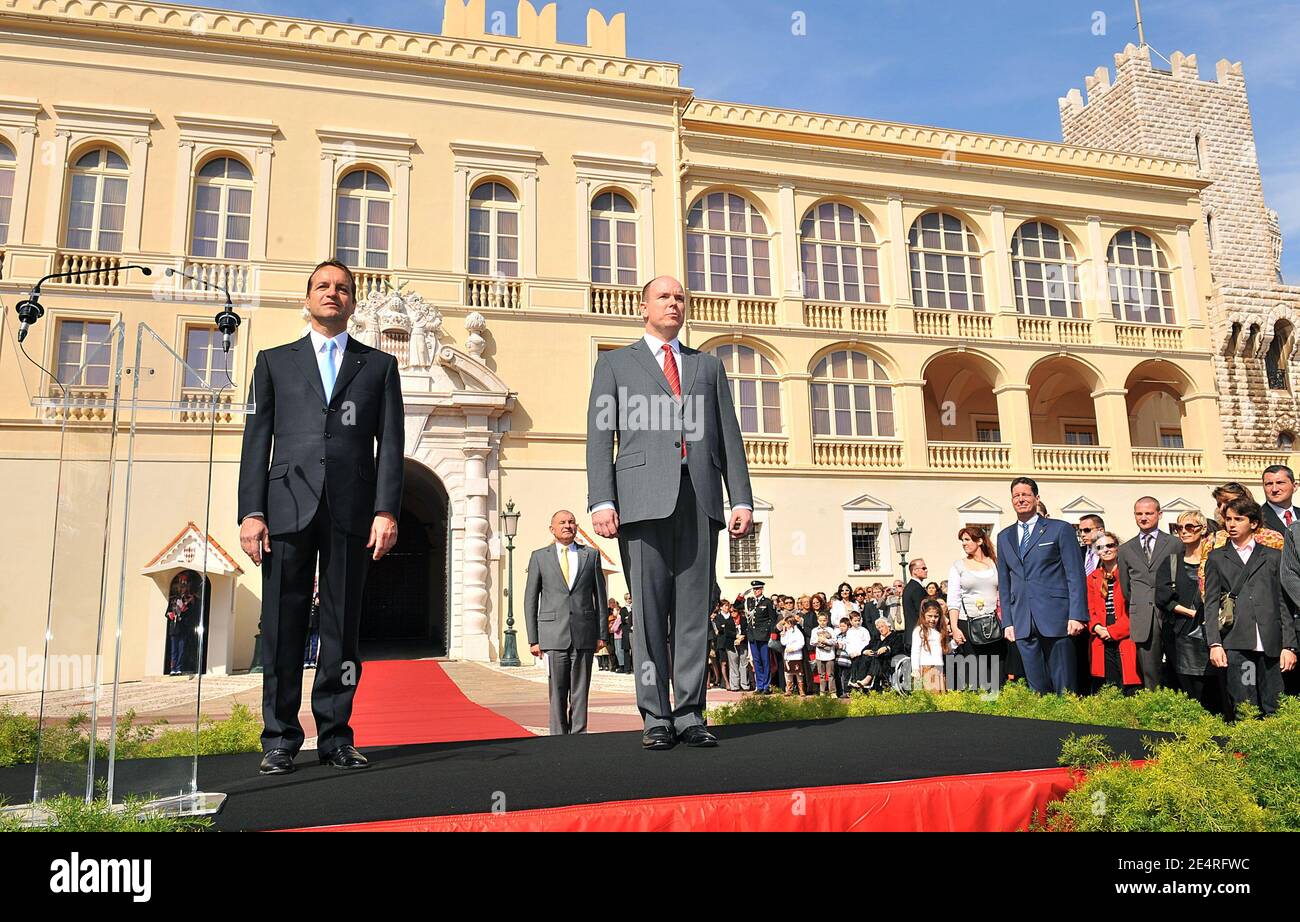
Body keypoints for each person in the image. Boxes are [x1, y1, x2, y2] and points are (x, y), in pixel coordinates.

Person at [238, 259, 403, 776]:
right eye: (323, 287)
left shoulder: (377, 367)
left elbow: (391, 445)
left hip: (351, 511)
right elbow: (255, 441)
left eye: (343, 288)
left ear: (353, 301)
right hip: (285, 505)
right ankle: (280, 737)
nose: (333, 294)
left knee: (341, 630)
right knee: (282, 627)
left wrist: (386, 509)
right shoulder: (273, 362)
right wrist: (251, 511)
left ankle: (335, 735)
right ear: (307, 298)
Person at [586, 275, 754, 749]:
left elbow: (729, 436)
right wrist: (602, 500)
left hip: (699, 499)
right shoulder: (616, 365)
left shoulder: (708, 366)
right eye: (664, 296)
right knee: (651, 609)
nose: (674, 303)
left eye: (680, 297)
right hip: (640, 501)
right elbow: (600, 436)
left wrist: (740, 496)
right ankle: (655, 715)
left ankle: (689, 713)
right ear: (643, 307)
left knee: (694, 613)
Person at [1204, 498, 1298, 718]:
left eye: (1239, 519)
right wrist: (1214, 643)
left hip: (1272, 644)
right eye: (1228, 519)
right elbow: (1210, 605)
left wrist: (1289, 646)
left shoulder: (1274, 556)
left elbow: (1283, 603)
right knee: (1245, 706)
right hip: (1237, 643)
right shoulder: (1217, 558)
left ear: (1254, 523)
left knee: (1275, 705)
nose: (1232, 524)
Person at [995, 477, 1088, 695]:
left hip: (1056, 617)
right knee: (1036, 687)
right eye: (1016, 496)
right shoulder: (1004, 536)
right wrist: (1007, 621)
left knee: (1064, 685)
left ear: (1036, 498)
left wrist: (1077, 615)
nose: (1021, 500)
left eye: (1025, 495)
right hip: (1022, 620)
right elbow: (1005, 582)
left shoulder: (1059, 529)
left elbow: (1075, 574)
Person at [524, 510, 609, 735]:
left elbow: (600, 596)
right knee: (557, 691)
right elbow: (530, 599)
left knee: (581, 691)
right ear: (552, 528)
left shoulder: (590, 556)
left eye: (571, 522)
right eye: (562, 522)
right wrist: (534, 639)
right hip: (552, 636)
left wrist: (602, 634)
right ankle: (558, 737)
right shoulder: (539, 557)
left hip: (584, 634)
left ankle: (579, 735)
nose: (567, 525)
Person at [1117, 497, 1180, 690]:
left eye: (1149, 513)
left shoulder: (1174, 544)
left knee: (1177, 666)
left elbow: (1179, 577)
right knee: (1149, 671)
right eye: (1139, 514)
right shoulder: (1125, 549)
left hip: (1170, 613)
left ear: (1159, 515)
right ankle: (1153, 708)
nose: (1144, 518)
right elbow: (1126, 587)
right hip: (1143, 616)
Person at [1166, 510, 1224, 714]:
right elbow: (1163, 597)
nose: (1184, 531)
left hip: (1215, 632)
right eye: (1179, 527)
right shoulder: (1172, 561)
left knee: (1216, 687)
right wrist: (1191, 614)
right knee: (1191, 690)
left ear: (1203, 529)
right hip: (1183, 633)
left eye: (1190, 527)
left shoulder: (1216, 559)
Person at [946, 526, 1001, 692]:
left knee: (994, 668)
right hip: (967, 623)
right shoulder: (958, 566)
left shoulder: (994, 563)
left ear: (980, 541)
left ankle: (994, 703)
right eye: (962, 540)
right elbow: (953, 600)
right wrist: (955, 628)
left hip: (993, 622)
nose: (964, 544)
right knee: (974, 668)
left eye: (967, 539)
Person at [1087, 531, 1140, 693]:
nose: (1106, 550)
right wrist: (1096, 627)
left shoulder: (1129, 574)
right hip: (1101, 635)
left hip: (1124, 633)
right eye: (1100, 547)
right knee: (1108, 684)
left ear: (1117, 548)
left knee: (1129, 682)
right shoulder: (1093, 577)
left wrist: (1114, 631)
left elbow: (1135, 608)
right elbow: (1089, 608)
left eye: (1110, 545)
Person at [742, 580, 778, 695]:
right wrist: (741, 596)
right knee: (756, 661)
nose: (755, 591)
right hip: (752, 635)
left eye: (757, 589)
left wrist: (773, 634)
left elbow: (773, 619)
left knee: (765, 661)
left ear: (762, 589)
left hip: (763, 635)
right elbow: (737, 606)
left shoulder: (767, 602)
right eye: (754, 589)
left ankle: (766, 686)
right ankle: (760, 686)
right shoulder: (750, 601)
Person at [911, 599, 952, 693]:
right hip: (925, 668)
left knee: (939, 697)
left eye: (936, 616)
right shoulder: (919, 630)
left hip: (938, 668)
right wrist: (915, 669)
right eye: (929, 616)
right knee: (925, 697)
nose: (933, 619)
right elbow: (915, 651)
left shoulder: (939, 631)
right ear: (923, 615)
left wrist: (954, 643)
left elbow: (944, 650)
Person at [1260, 464, 1298, 534]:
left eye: (1280, 483)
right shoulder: (1256, 518)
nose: (1274, 489)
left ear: (1294, 486)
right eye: (1269, 484)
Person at [723, 600, 751, 691]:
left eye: (734, 611)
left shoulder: (743, 620)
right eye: (730, 611)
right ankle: (735, 686)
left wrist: (742, 636)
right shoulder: (728, 621)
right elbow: (727, 632)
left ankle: (745, 685)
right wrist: (736, 636)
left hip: (743, 644)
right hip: (731, 645)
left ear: (738, 611)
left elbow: (747, 630)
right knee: (733, 665)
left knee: (744, 664)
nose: (732, 613)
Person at [809, 610, 837, 696]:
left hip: (830, 655)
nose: (822, 622)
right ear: (818, 620)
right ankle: (822, 692)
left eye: (824, 620)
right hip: (820, 656)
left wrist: (825, 640)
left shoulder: (830, 629)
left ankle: (832, 692)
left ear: (827, 620)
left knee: (831, 674)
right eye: (820, 620)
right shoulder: (814, 630)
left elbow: (834, 641)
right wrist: (818, 640)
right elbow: (812, 642)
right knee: (821, 675)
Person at [779, 614, 807, 696]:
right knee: (788, 673)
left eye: (786, 624)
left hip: (796, 656)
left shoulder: (798, 632)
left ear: (791, 623)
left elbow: (801, 643)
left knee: (798, 673)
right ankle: (789, 690)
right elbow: (783, 643)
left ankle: (801, 690)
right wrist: (783, 635)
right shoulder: (787, 632)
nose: (785, 625)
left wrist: (793, 649)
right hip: (788, 657)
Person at [902, 560, 928, 644]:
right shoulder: (916, 589)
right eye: (923, 568)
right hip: (919, 635)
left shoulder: (910, 586)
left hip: (911, 635)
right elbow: (921, 613)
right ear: (915, 571)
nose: (926, 570)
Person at [619, 593, 634, 674]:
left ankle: (634, 667)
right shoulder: (623, 609)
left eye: (630, 598)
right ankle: (627, 669)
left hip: (633, 631)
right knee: (627, 651)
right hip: (626, 632)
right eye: (628, 598)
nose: (629, 600)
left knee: (634, 651)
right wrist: (628, 618)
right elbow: (623, 620)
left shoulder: (634, 608)